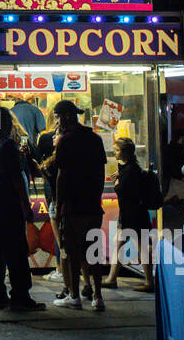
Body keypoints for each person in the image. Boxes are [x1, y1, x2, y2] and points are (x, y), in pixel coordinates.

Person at [0, 105, 45, 311]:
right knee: (16, 252)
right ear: (6, 123)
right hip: (7, 204)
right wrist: (25, 205)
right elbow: (16, 178)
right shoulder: (7, 144)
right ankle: (20, 296)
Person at [42, 101, 108, 311]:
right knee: (93, 251)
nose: (57, 121)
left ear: (64, 117)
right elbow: (101, 172)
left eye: (57, 117)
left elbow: (61, 176)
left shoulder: (65, 141)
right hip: (92, 205)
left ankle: (74, 295)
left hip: (72, 205)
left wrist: (59, 204)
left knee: (71, 250)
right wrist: (96, 197)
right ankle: (98, 296)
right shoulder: (95, 139)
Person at [106, 138, 154, 291]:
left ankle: (148, 282)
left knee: (138, 247)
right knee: (125, 245)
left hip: (132, 217)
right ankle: (113, 278)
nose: (115, 152)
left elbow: (122, 191)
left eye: (118, 150)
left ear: (126, 152)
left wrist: (117, 183)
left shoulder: (130, 171)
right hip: (133, 215)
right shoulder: (131, 169)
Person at [33, 111, 67, 284]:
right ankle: (68, 275)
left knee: (61, 236)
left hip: (55, 195)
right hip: (67, 197)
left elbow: (39, 165)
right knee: (68, 237)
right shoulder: (76, 141)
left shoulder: (46, 139)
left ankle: (62, 270)